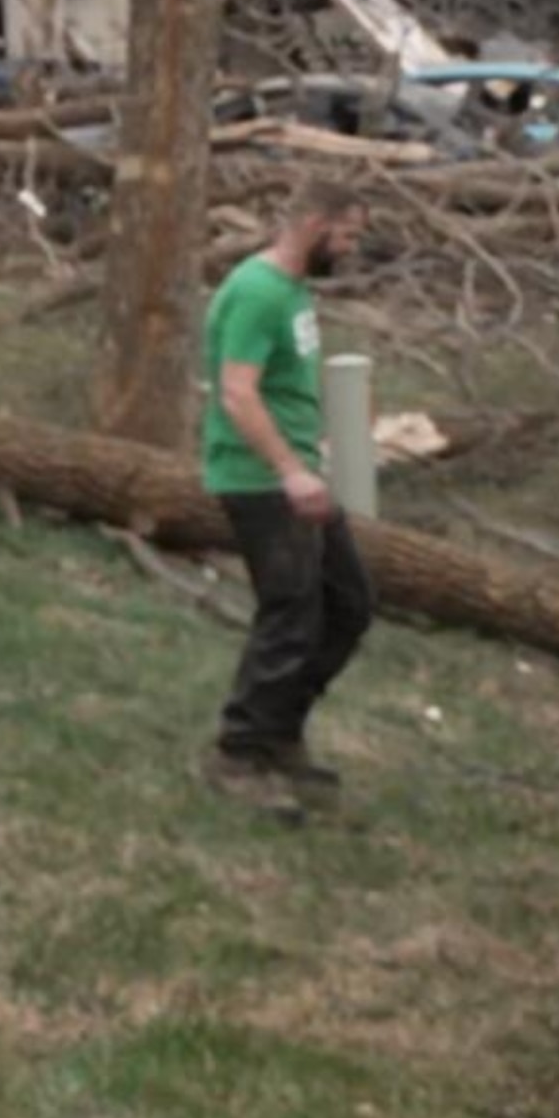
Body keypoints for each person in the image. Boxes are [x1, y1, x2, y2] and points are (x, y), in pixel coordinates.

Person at [203, 182, 377, 818]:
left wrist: (322, 447)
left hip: (299, 472)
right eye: (347, 234)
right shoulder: (256, 292)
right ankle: (239, 751)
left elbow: (282, 388)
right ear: (312, 222)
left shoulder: (292, 291)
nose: (352, 248)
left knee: (349, 604)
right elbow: (237, 394)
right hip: (260, 481)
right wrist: (288, 471)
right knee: (290, 615)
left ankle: (280, 731)